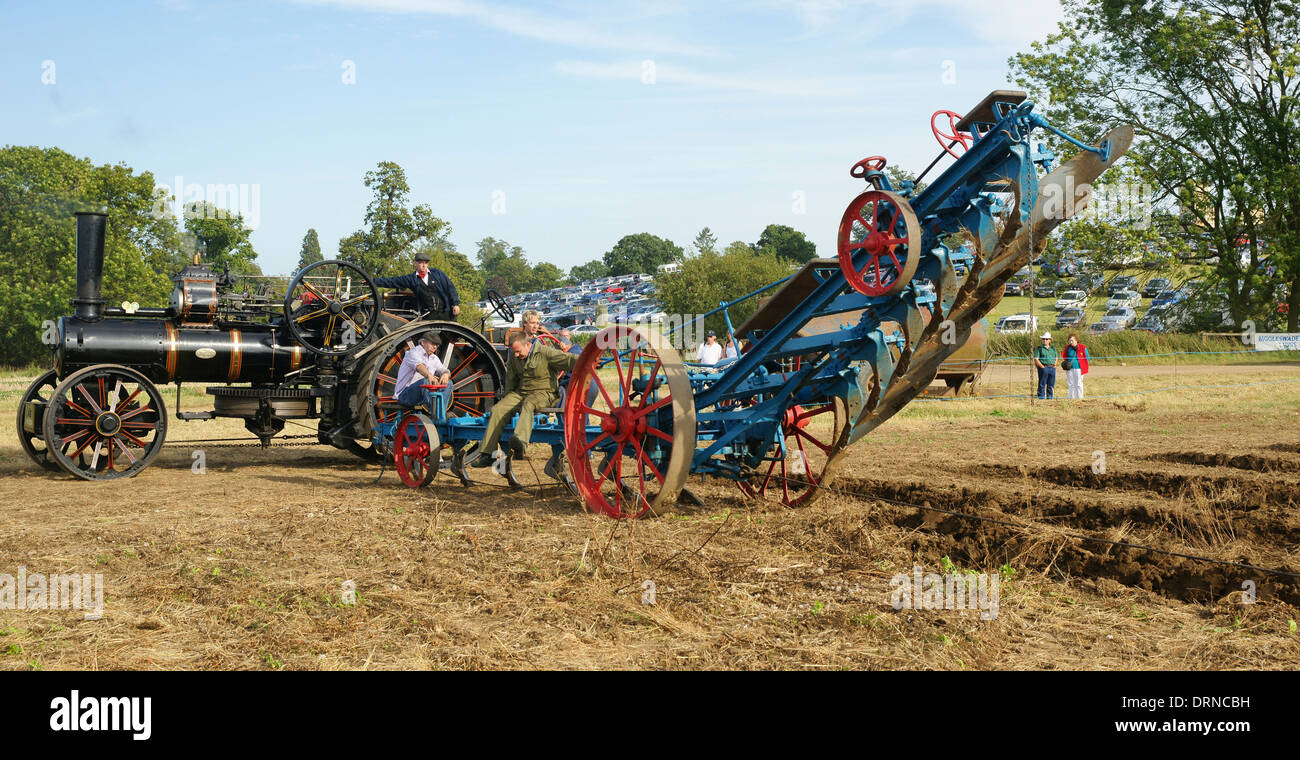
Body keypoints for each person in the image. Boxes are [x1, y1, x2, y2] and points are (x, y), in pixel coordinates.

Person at [473, 333, 580, 467]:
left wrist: (590, 358)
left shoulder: (545, 352)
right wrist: (507, 401)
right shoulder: (514, 357)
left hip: (545, 393)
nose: (516, 355)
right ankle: (488, 454)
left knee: (529, 404)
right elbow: (511, 380)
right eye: (514, 352)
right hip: (521, 392)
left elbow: (569, 359)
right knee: (498, 409)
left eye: (518, 351)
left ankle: (520, 443)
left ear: (528, 345)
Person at [372, 251, 461, 321]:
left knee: (452, 337)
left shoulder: (438, 274)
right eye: (420, 263)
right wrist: (372, 281)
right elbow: (392, 281)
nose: (423, 265)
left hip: (445, 312)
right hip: (427, 315)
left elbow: (450, 288)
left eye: (425, 263)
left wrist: (455, 304)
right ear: (415, 264)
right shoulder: (411, 279)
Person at [392, 331, 452, 410]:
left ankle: (440, 412)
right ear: (423, 342)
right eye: (432, 344)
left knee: (449, 383)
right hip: (404, 395)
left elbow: (444, 370)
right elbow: (419, 367)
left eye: (437, 345)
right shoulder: (413, 353)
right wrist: (429, 375)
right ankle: (433, 409)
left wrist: (445, 374)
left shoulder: (434, 358)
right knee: (425, 381)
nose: (435, 347)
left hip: (421, 396)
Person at [1061, 333, 1090, 399]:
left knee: (1079, 384)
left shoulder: (1083, 347)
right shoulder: (1068, 348)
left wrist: (1083, 365)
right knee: (1070, 384)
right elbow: (1064, 355)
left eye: (1072, 340)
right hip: (1070, 368)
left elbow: (1087, 358)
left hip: (1079, 368)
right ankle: (1071, 398)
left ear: (1076, 340)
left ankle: (1079, 398)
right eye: (1070, 341)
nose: (1071, 342)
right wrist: (1066, 363)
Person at [1033, 331, 1057, 399]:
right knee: (1042, 383)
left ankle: (1050, 397)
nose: (1045, 340)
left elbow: (1056, 357)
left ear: (1050, 340)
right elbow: (1036, 359)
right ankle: (1041, 396)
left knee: (1051, 383)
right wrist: (1042, 367)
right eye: (1043, 339)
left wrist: (1054, 365)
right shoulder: (1039, 348)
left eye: (1046, 339)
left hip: (1052, 367)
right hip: (1044, 367)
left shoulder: (1053, 348)